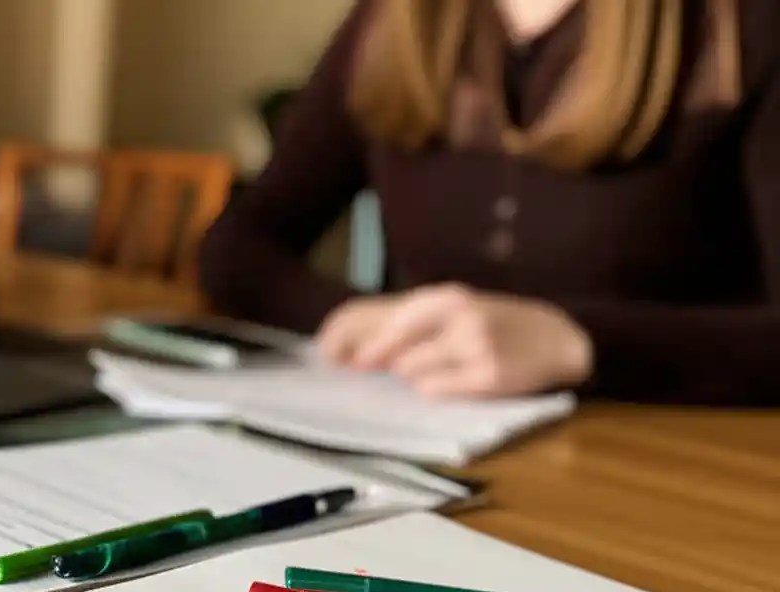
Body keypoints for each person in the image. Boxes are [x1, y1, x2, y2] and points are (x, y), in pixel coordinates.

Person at [199, 0, 780, 405]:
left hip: (668, 476)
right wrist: (352, 316)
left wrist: (577, 343)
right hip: (426, 451)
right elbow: (239, 247)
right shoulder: (394, 18)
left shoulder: (744, 25)